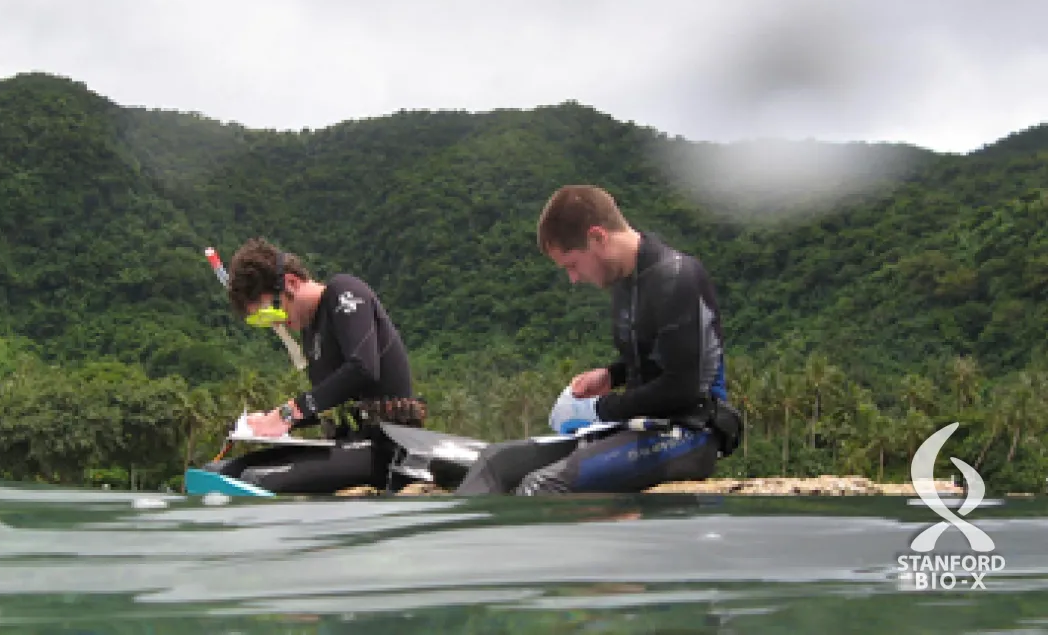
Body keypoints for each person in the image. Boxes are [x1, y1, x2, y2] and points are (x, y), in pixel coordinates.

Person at [455, 185, 743, 495]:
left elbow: (682, 388)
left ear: (598, 237)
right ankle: (460, 542)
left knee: (541, 485)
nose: (574, 279)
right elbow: (656, 355)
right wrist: (612, 374)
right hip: (638, 427)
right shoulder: (623, 282)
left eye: (573, 265)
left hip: (690, 431)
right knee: (495, 462)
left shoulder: (677, 277)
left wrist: (597, 409)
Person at [203, 237, 427, 494]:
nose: (278, 322)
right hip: (346, 444)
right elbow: (326, 400)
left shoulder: (344, 293)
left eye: (274, 311)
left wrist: (288, 413)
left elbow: (363, 367)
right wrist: (269, 420)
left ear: (291, 283)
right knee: (219, 472)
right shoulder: (311, 333)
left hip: (387, 446)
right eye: (265, 320)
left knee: (257, 479)